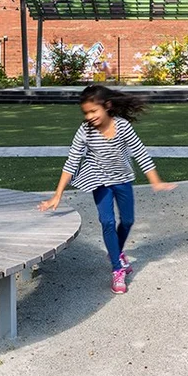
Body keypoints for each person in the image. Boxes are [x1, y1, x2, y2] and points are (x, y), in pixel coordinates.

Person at [38, 85, 176, 295]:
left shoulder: (122, 127)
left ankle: (116, 252)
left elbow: (140, 153)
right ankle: (117, 268)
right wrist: (57, 194)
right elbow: (72, 161)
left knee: (128, 220)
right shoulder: (85, 131)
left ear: (107, 106)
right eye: (86, 112)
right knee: (108, 221)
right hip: (99, 179)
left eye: (94, 111)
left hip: (122, 179)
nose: (90, 116)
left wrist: (155, 181)